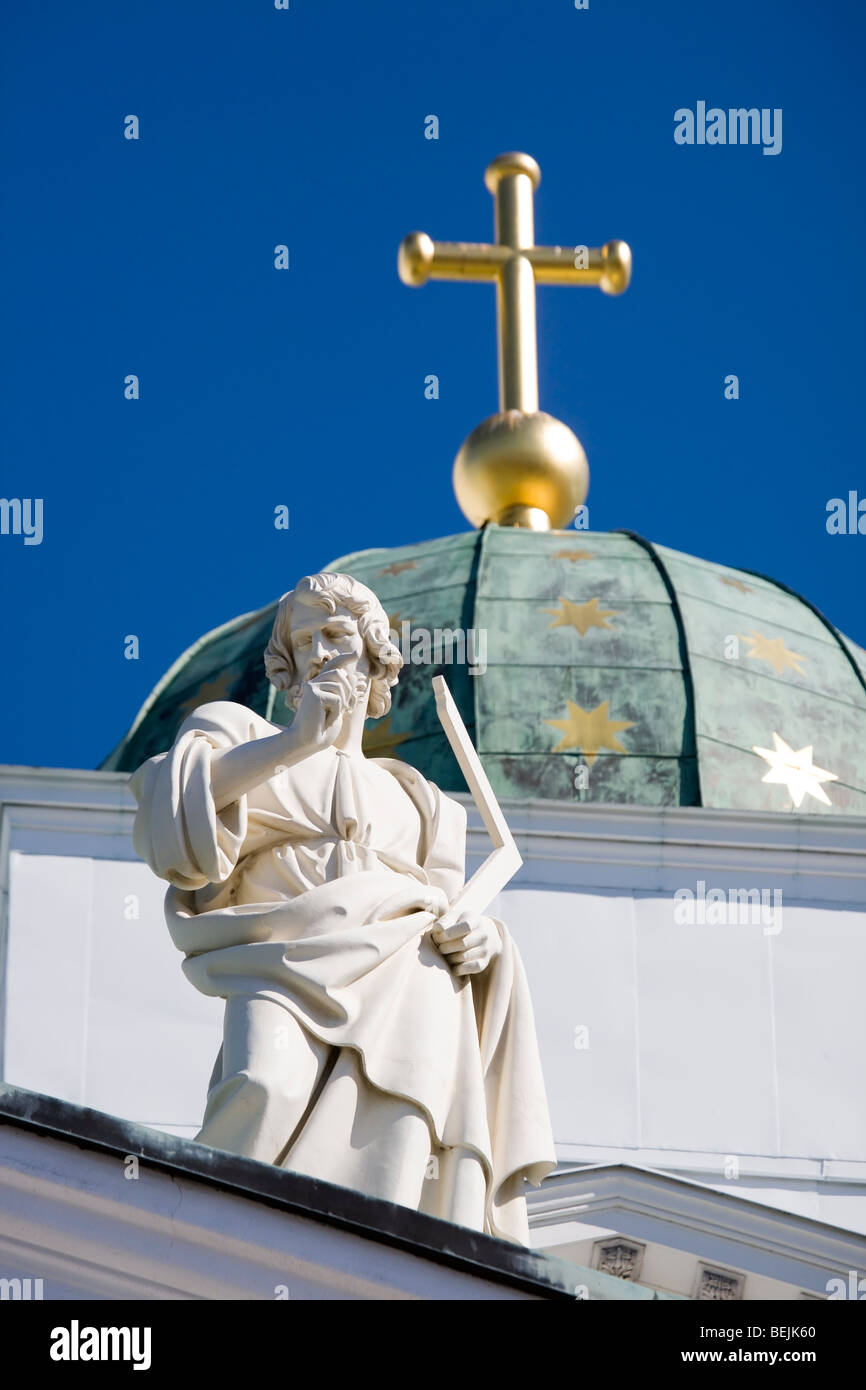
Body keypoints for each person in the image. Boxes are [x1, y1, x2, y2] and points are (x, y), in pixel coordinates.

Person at [131, 571, 555, 1243]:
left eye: (335, 635)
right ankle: (203, 1255)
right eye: (303, 641)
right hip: (281, 963)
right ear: (288, 665)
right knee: (262, 1083)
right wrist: (296, 741)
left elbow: (449, 913)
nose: (320, 651)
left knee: (397, 1141)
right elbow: (173, 817)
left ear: (372, 652)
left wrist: (481, 942)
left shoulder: (424, 802)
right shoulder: (239, 735)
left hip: (409, 980)